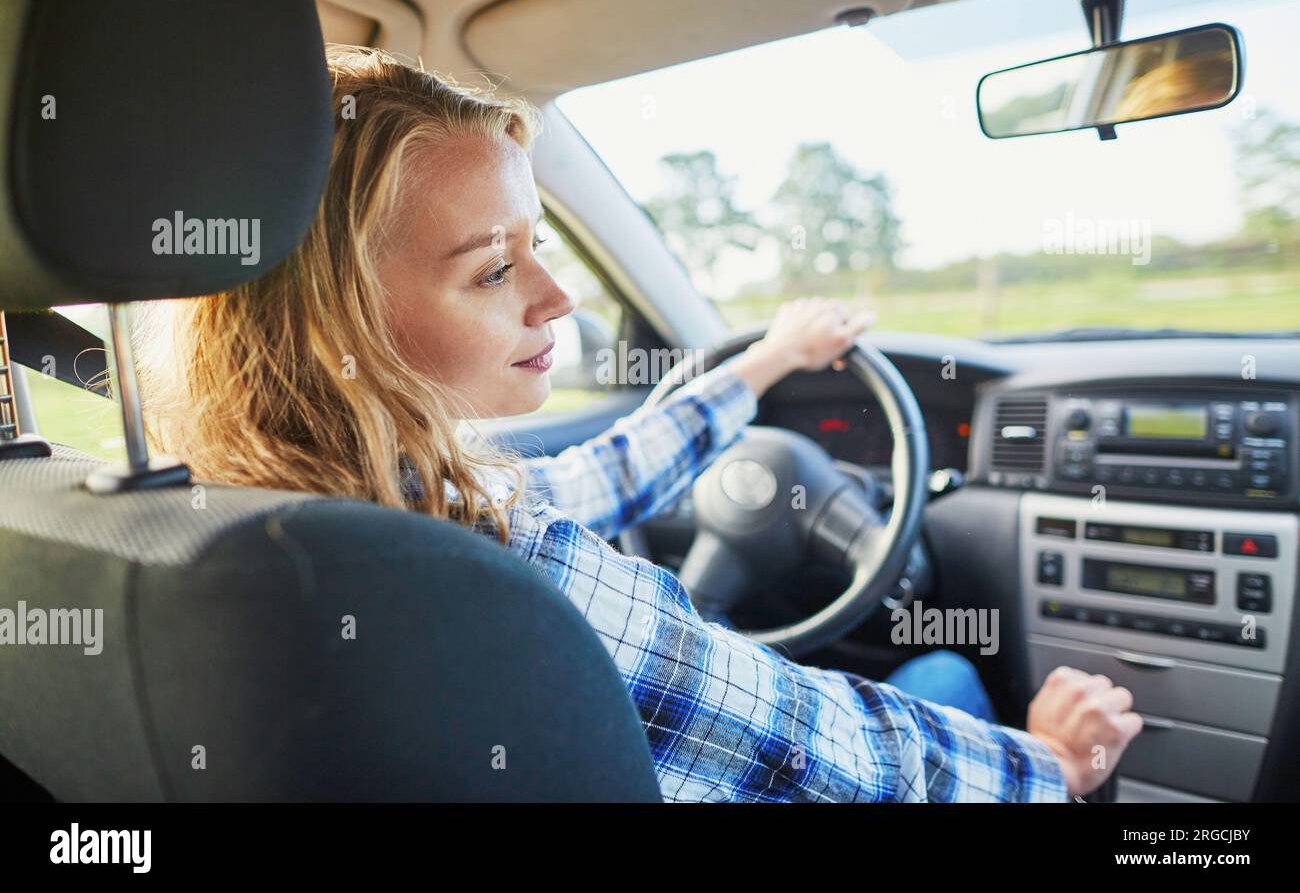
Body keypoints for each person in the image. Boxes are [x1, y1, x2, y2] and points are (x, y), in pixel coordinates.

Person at [135, 45, 1141, 802]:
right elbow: (813, 740)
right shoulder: (492, 568)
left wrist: (761, 364)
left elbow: (594, 475)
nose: (556, 297)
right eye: (494, 268)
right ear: (332, 322)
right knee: (942, 675)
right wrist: (1050, 761)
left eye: (539, 247)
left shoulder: (208, 509)